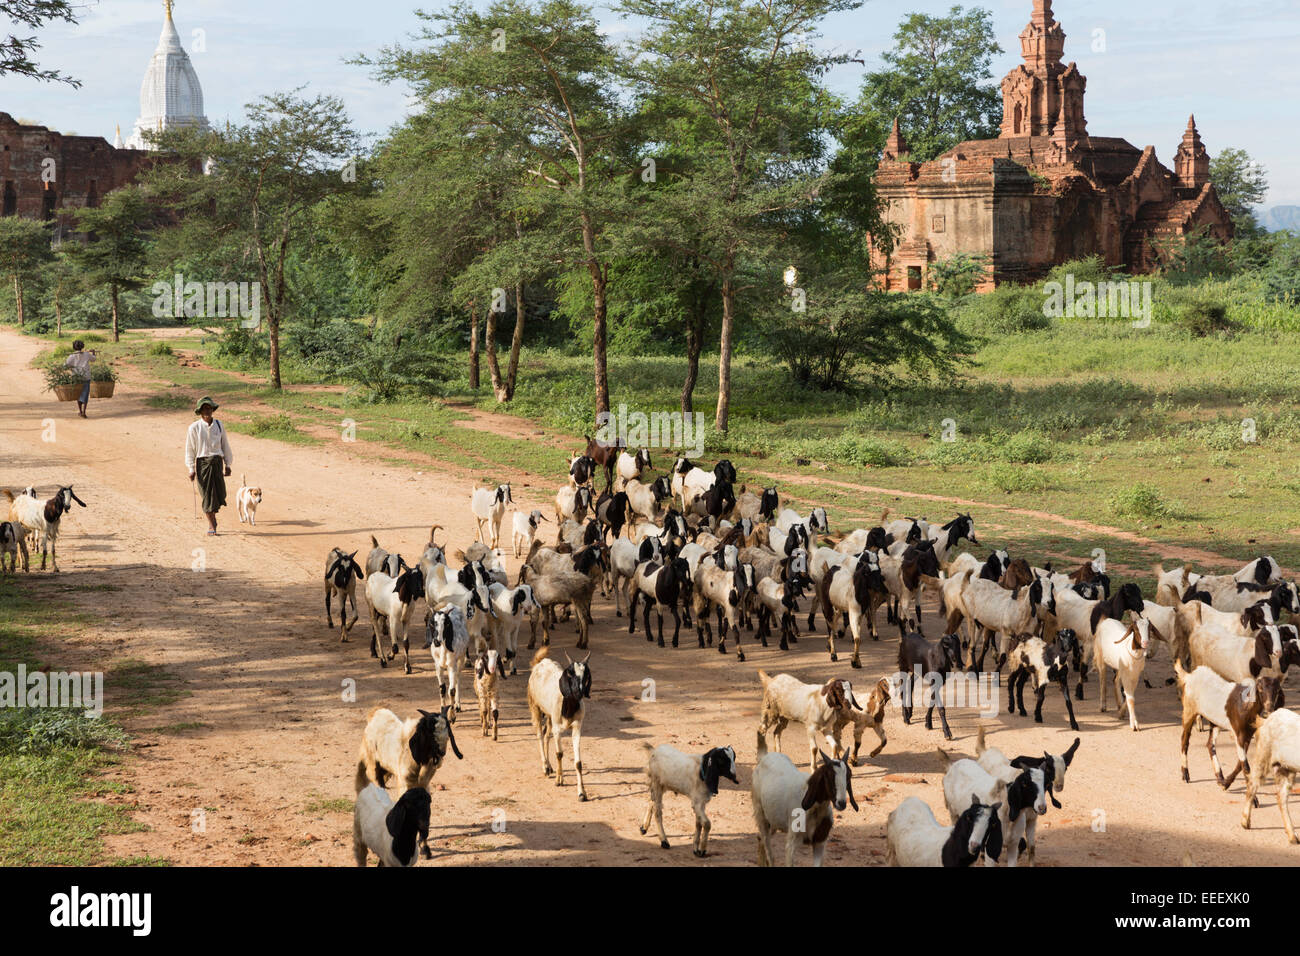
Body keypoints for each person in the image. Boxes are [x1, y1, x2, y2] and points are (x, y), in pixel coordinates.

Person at [185, 396, 233, 536]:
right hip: (202, 465)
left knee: (219, 494)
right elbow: (190, 449)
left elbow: (225, 445)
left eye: (209, 408)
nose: (207, 411)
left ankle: (213, 517)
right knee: (206, 495)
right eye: (204, 409)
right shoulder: (194, 428)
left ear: (213, 410)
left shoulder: (219, 425)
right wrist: (191, 468)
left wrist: (227, 464)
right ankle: (211, 524)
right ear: (200, 412)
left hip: (217, 463)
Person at [64, 340, 97, 419]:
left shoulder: (72, 356)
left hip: (76, 377)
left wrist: (71, 366)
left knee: (78, 394)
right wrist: (93, 352)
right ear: (82, 346)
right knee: (85, 394)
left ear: (74, 347)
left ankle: (80, 411)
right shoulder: (86, 354)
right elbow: (94, 359)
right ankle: (84, 412)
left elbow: (65, 365)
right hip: (86, 377)